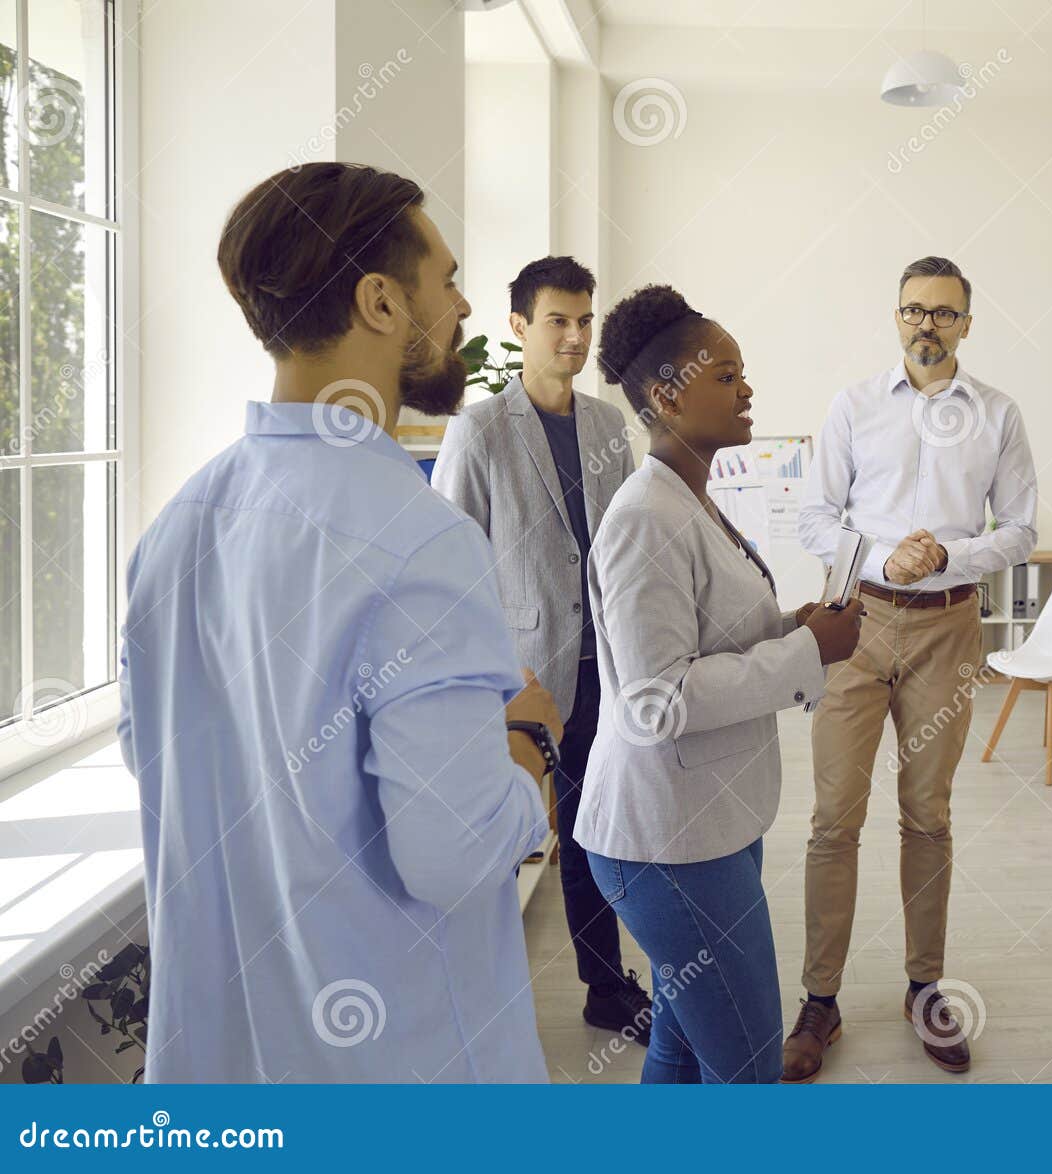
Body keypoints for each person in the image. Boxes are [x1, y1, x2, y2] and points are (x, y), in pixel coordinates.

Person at [118, 163, 562, 1082]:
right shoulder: (418, 538)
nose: (467, 303)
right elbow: (452, 853)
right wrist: (529, 745)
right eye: (445, 280)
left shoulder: (177, 527)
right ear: (381, 303)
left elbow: (156, 757)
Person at [575, 284, 864, 1083]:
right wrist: (807, 650)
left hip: (708, 826)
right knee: (743, 1068)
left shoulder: (694, 498)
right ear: (666, 392)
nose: (748, 390)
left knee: (679, 1046)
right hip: (665, 842)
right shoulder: (645, 517)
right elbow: (653, 700)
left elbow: (710, 642)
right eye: (728, 374)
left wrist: (793, 628)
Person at [788, 256, 1038, 1081]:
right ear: (896, 319)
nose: (925, 323)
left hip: (948, 630)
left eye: (942, 312)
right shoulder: (853, 406)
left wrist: (946, 555)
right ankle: (819, 1000)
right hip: (855, 624)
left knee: (927, 813)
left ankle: (924, 986)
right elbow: (815, 516)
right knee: (833, 819)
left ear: (967, 323)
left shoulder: (998, 414)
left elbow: (1022, 529)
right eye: (912, 310)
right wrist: (884, 560)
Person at [433, 256, 651, 1043]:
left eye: (585, 320)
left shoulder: (603, 425)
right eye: (558, 320)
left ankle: (604, 984)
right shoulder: (478, 430)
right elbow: (449, 572)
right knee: (504, 836)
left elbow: (624, 546)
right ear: (520, 326)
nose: (575, 335)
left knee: (595, 829)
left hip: (605, 666)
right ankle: (473, 993)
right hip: (517, 676)